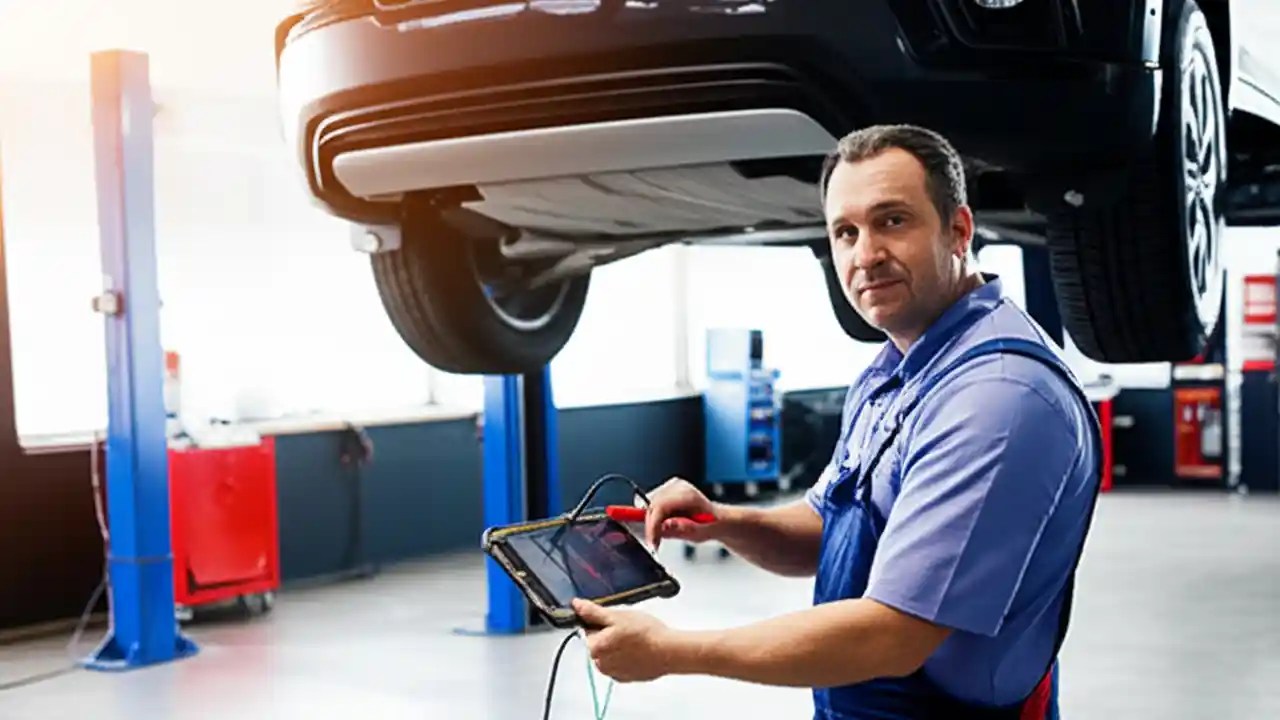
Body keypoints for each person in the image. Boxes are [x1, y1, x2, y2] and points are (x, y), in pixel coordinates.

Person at [570, 124, 1102, 719]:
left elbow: (891, 636)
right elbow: (833, 528)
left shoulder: (996, 399)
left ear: (959, 229)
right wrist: (724, 523)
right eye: (845, 232)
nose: (865, 255)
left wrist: (672, 651)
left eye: (892, 221)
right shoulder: (898, 368)